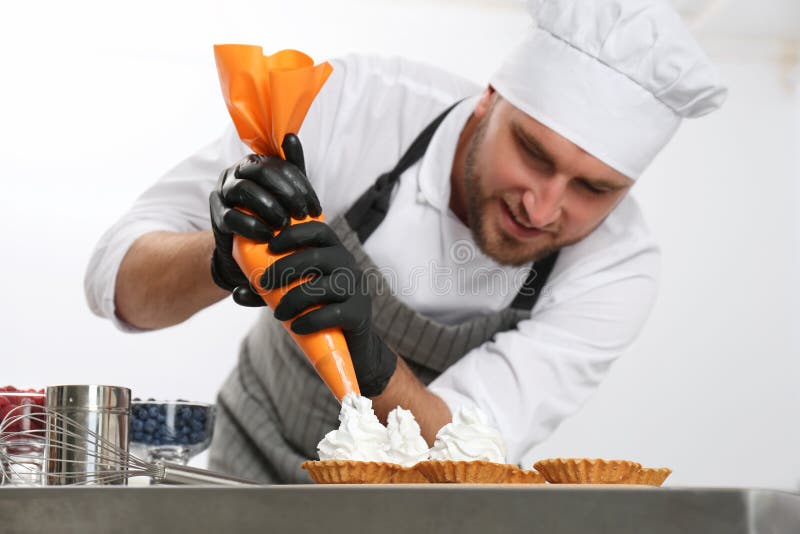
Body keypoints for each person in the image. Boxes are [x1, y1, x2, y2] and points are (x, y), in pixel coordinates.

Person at [85, 0, 727, 483]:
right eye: (532, 153)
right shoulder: (351, 107)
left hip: (420, 513)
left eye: (594, 188)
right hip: (247, 468)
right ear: (488, 102)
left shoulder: (619, 267)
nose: (543, 205)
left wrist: (371, 362)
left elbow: (469, 449)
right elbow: (117, 285)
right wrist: (226, 259)